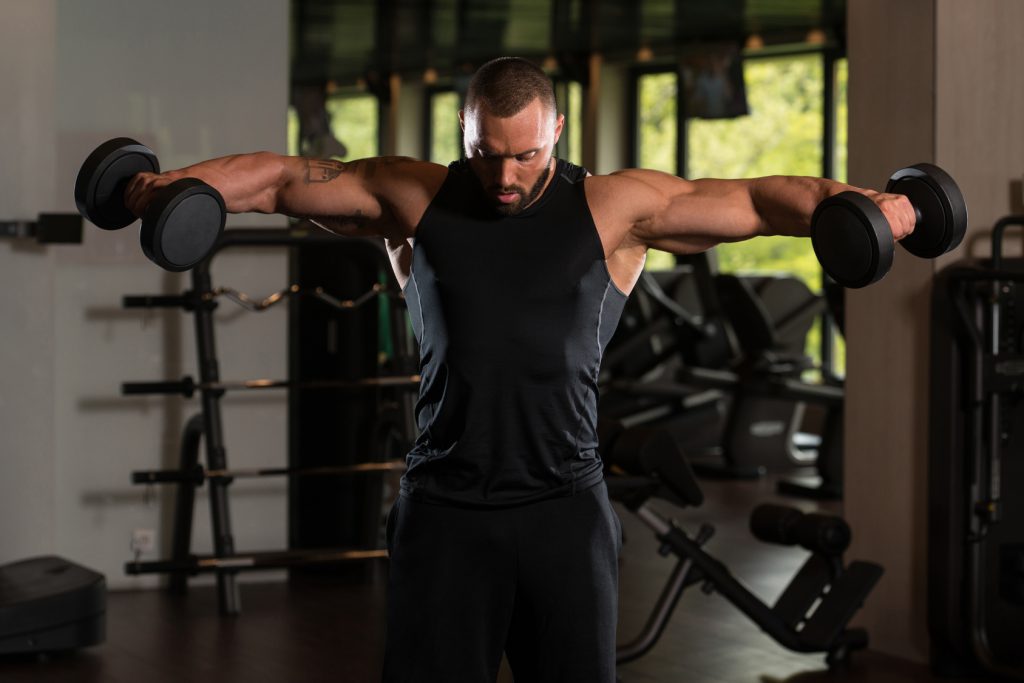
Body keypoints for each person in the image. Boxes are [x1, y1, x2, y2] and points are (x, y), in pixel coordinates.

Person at [124, 56, 914, 683]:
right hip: (442, 510)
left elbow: (762, 201)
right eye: (486, 154)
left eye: (526, 155)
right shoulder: (416, 197)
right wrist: (160, 187)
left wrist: (891, 209)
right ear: (464, 132)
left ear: (558, 130)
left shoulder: (615, 206)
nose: (504, 177)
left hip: (563, 514)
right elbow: (276, 178)